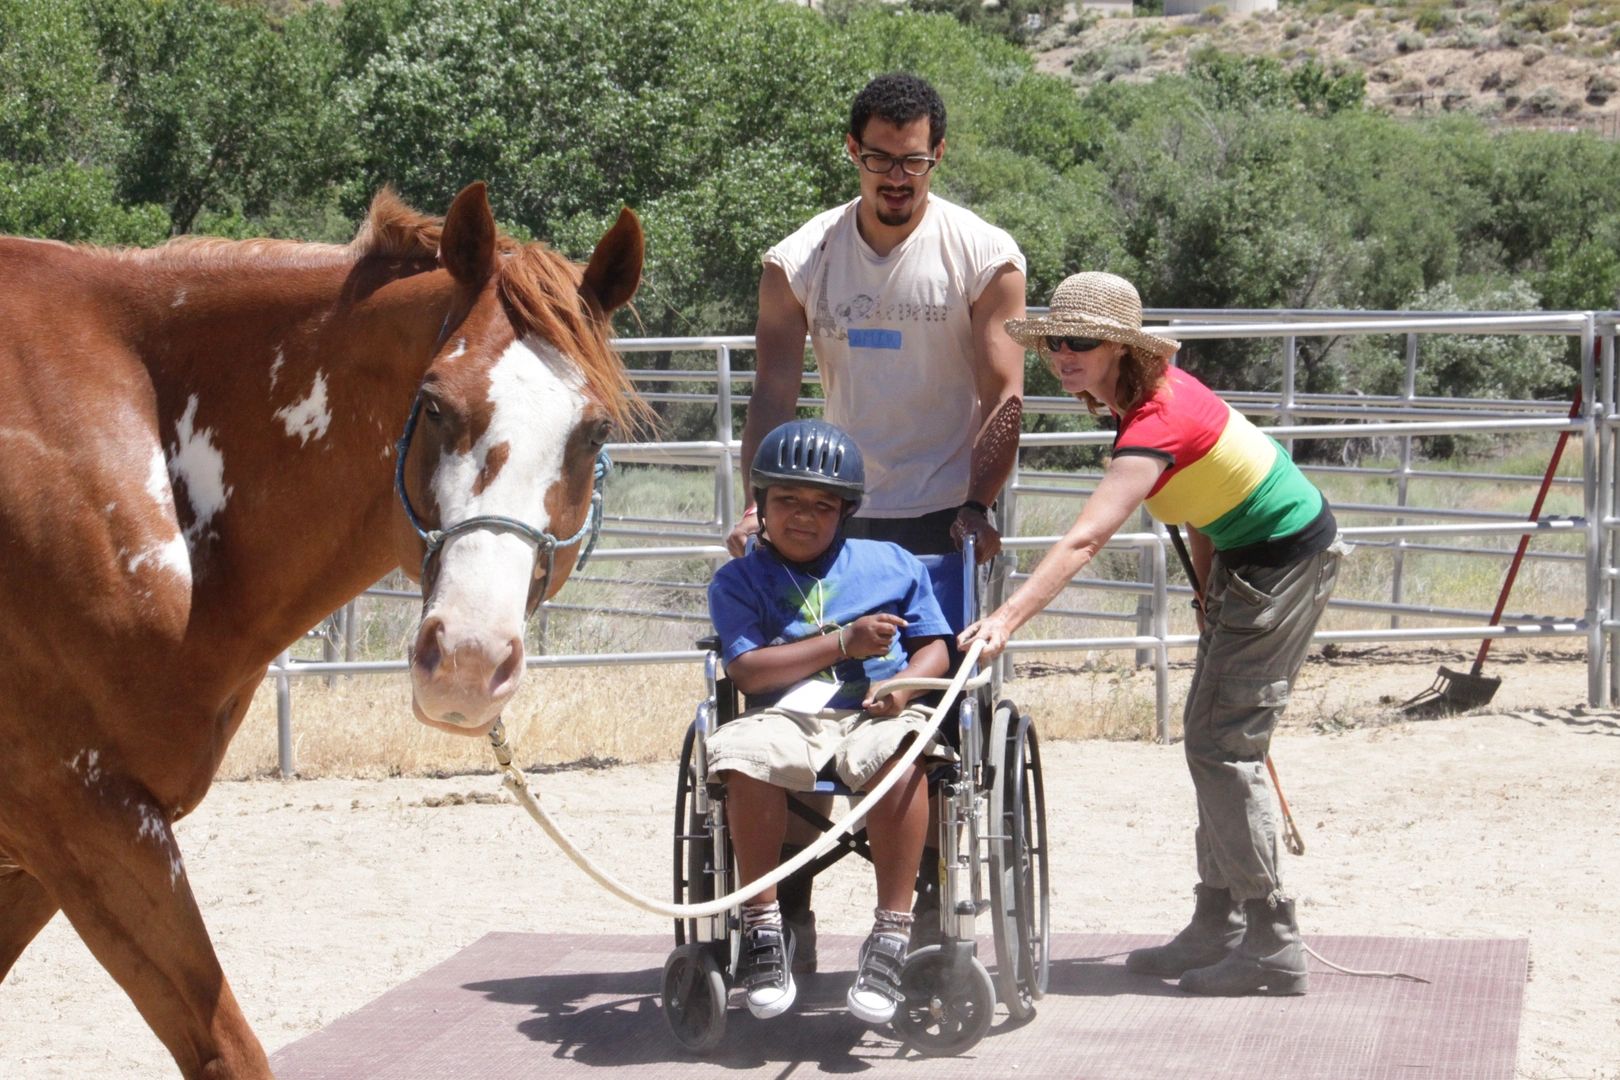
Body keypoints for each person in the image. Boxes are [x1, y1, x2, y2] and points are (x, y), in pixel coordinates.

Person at [959, 272, 1349, 996]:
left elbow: (1086, 539)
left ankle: (1271, 936)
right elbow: (1206, 499)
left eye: (1080, 342)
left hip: (1282, 560)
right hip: (1246, 559)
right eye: (1054, 342)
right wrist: (1207, 588)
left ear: (1120, 348)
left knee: (1222, 744)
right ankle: (1219, 919)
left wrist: (1006, 618)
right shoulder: (1139, 402)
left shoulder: (1154, 418)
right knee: (1213, 739)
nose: (1063, 355)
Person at [726, 71, 1028, 967]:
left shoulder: (984, 255)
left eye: (915, 160)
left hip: (940, 512)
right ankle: (788, 909)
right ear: (851, 153)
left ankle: (922, 914)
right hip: (828, 510)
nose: (898, 176)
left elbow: (1004, 394)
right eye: (881, 159)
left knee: (925, 712)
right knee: (794, 700)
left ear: (940, 156)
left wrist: (978, 504)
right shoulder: (800, 259)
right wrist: (758, 500)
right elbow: (774, 387)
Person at [706, 419, 953, 1023]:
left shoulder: (893, 564)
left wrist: (903, 686)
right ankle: (764, 928)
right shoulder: (738, 581)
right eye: (787, 500)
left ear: (845, 512)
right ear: (760, 504)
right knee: (746, 754)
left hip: (878, 710)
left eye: (823, 505)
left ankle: (891, 936)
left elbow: (935, 648)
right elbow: (749, 673)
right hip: (785, 714)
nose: (804, 516)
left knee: (903, 752)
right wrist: (843, 642)